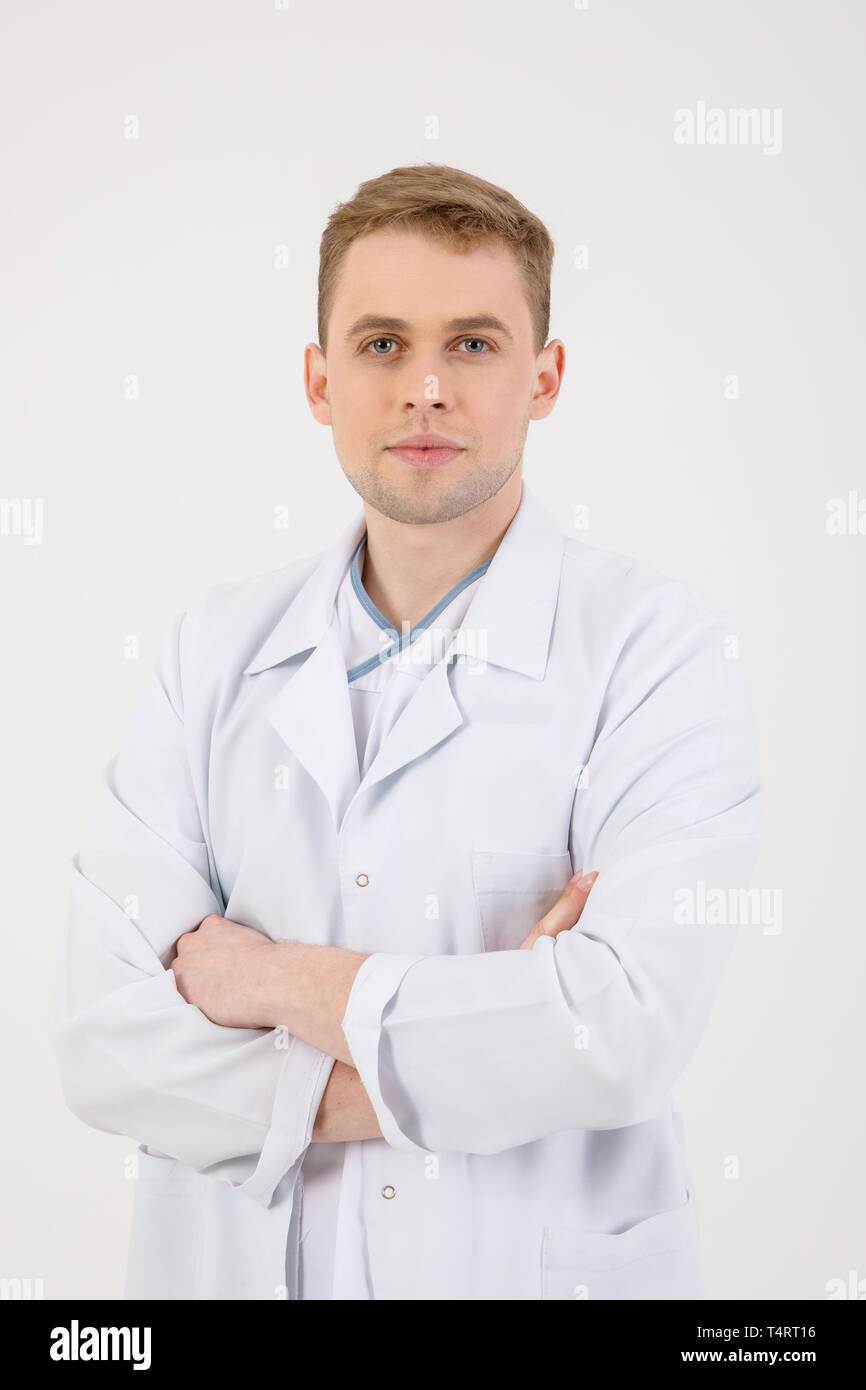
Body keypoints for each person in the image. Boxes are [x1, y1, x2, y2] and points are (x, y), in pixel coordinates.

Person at [49, 163, 764, 1300]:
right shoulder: (209, 655)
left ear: (545, 377)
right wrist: (486, 1046)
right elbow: (103, 1045)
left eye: (472, 344)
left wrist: (270, 980)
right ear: (318, 380)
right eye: (381, 343)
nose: (424, 385)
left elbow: (618, 1034)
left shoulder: (657, 654)